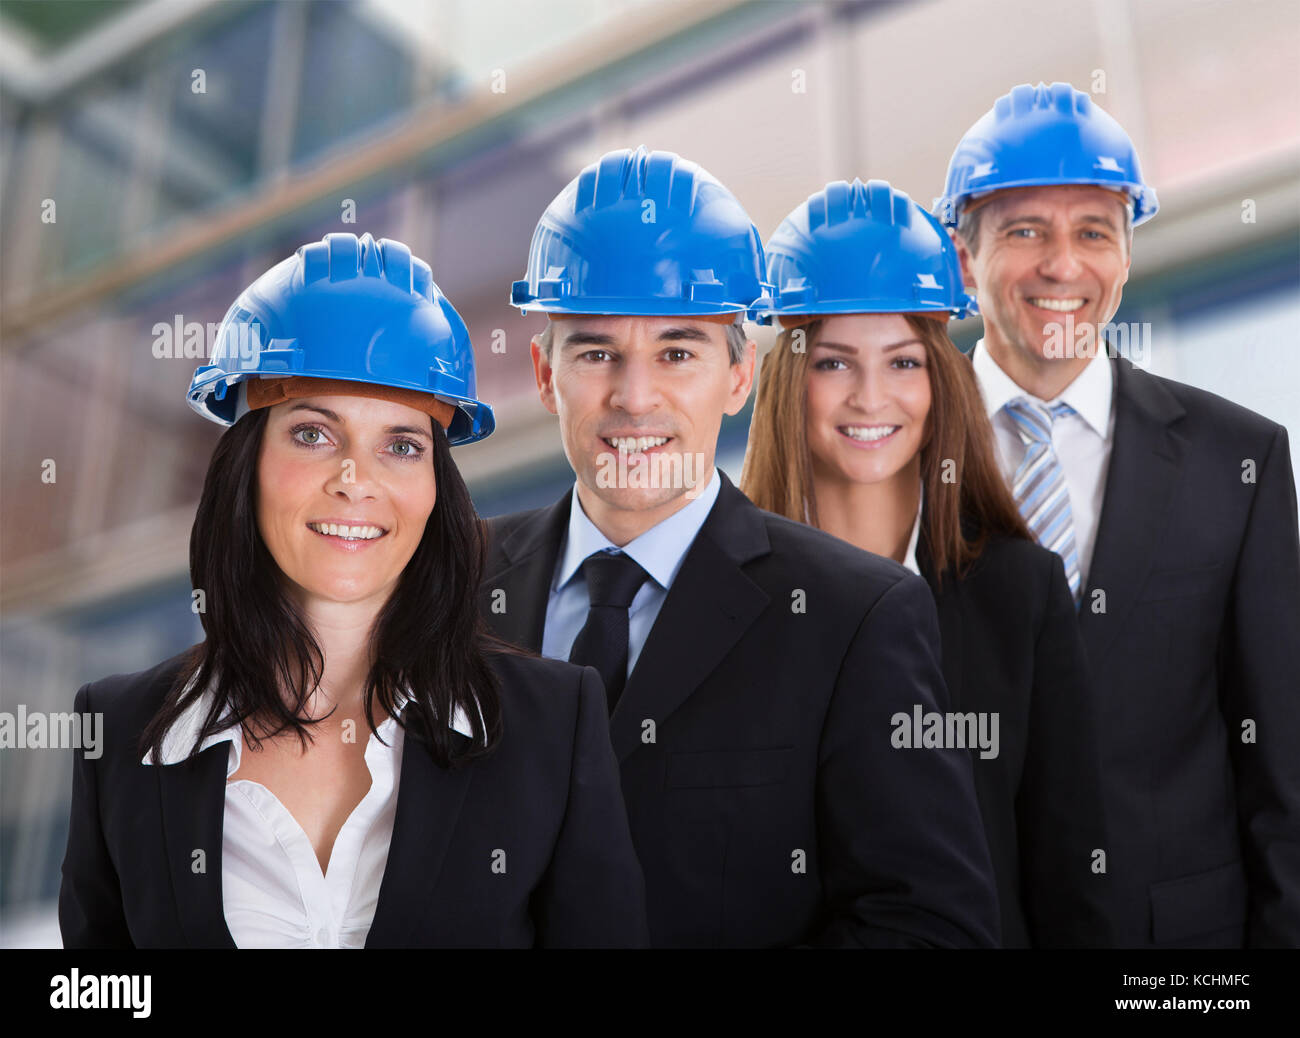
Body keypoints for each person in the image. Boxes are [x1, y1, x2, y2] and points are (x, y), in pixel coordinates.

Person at [59, 232, 648, 949]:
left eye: (401, 445)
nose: (355, 480)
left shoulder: (551, 725)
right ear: (246, 463)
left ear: (437, 486)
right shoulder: (123, 735)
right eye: (312, 434)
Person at [481, 146, 1000, 948]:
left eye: (678, 352)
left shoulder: (855, 616)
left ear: (739, 377)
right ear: (546, 375)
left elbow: (929, 926)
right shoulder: (450, 583)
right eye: (596, 353)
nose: (635, 396)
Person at [938, 82, 1300, 947]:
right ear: (964, 260)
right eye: (1025, 231)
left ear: (1127, 257)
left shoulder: (1238, 460)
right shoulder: (898, 453)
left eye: (1094, 233)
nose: (1063, 266)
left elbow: (1281, 767)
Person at [741, 177, 1112, 946]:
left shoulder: (1021, 594)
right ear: (787, 383)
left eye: (904, 362)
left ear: (940, 380)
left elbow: (1070, 887)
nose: (871, 397)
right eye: (834, 364)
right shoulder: (722, 593)